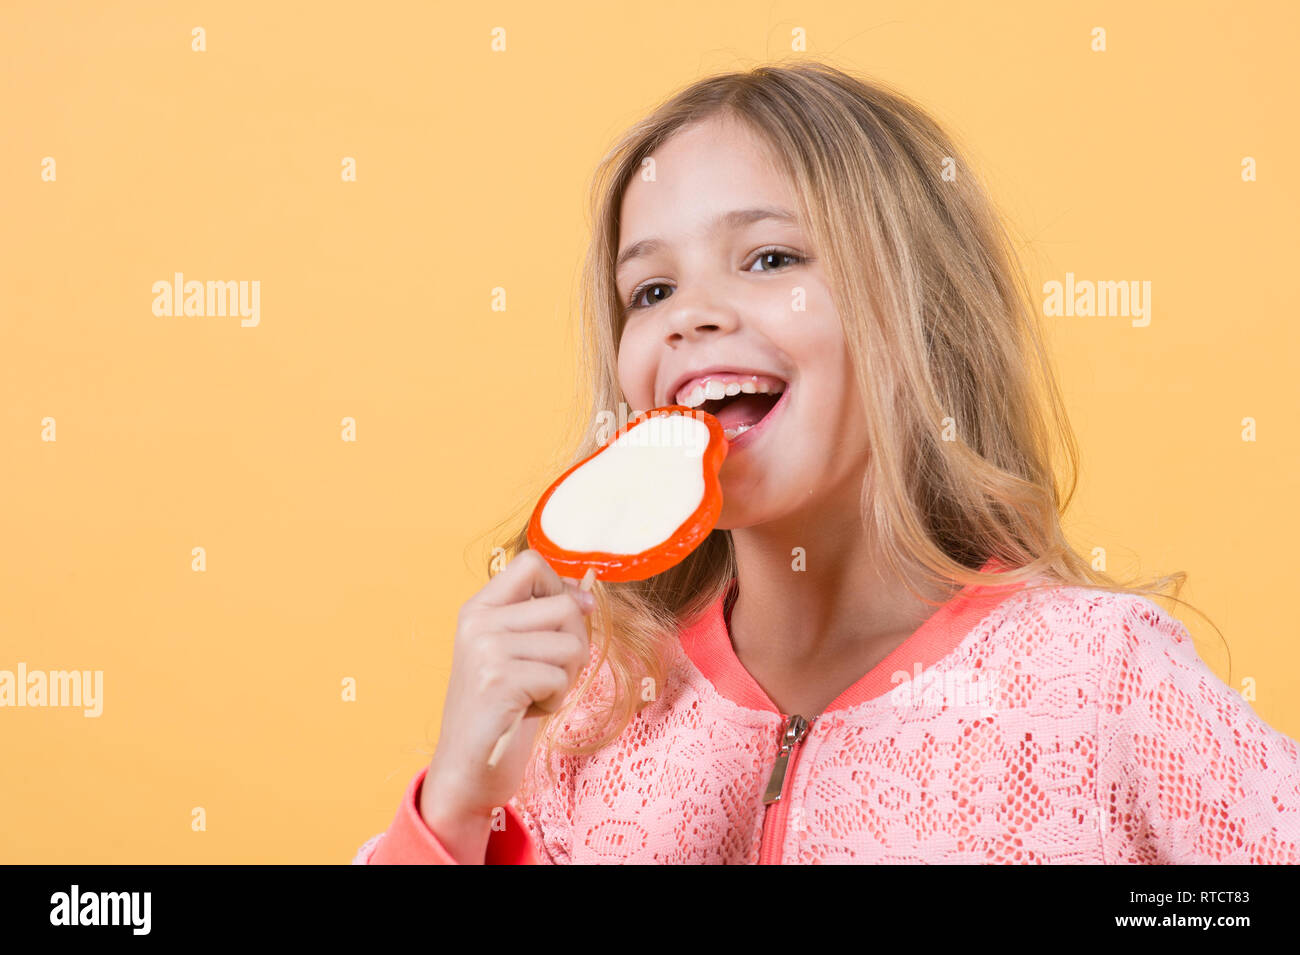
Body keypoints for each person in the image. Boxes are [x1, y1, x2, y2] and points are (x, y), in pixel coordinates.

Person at [354, 61, 1300, 864]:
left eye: (767, 259)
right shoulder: (589, 716)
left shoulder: (1098, 675)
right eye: (651, 287)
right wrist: (455, 805)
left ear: (918, 318)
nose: (691, 313)